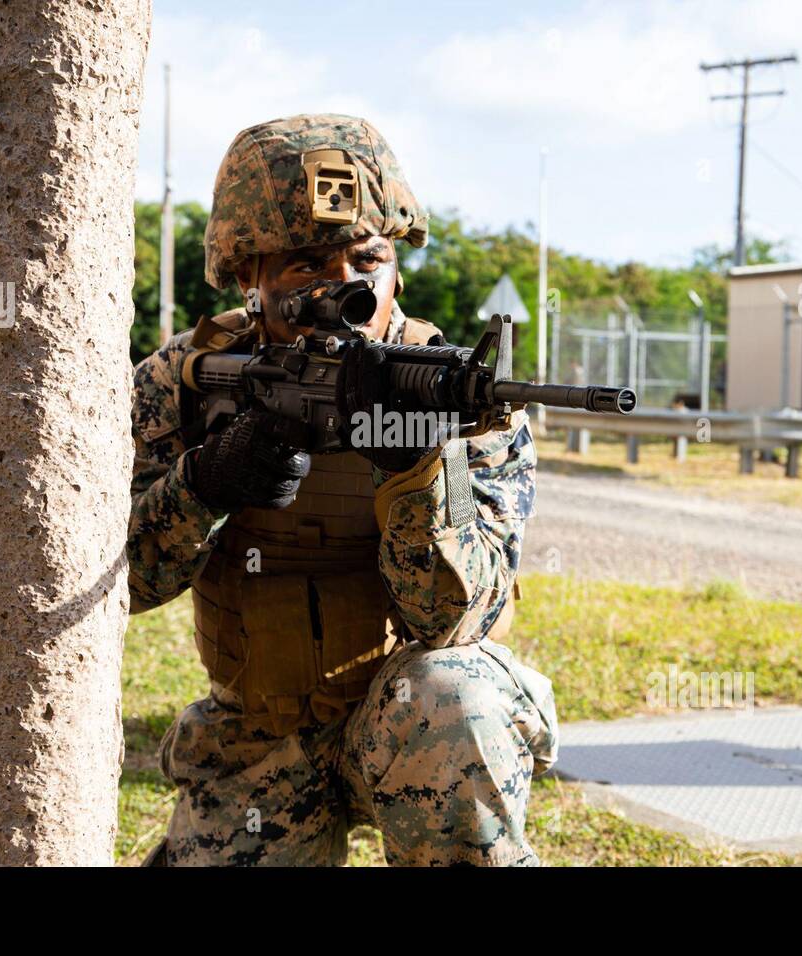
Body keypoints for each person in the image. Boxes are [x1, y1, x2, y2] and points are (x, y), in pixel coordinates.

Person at [128, 114, 557, 866]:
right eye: (306, 267)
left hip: (408, 721)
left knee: (457, 696)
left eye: (368, 258)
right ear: (248, 279)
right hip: (257, 733)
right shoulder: (188, 379)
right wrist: (202, 488)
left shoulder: (454, 394)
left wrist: (417, 475)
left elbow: (459, 621)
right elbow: (118, 584)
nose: (347, 289)